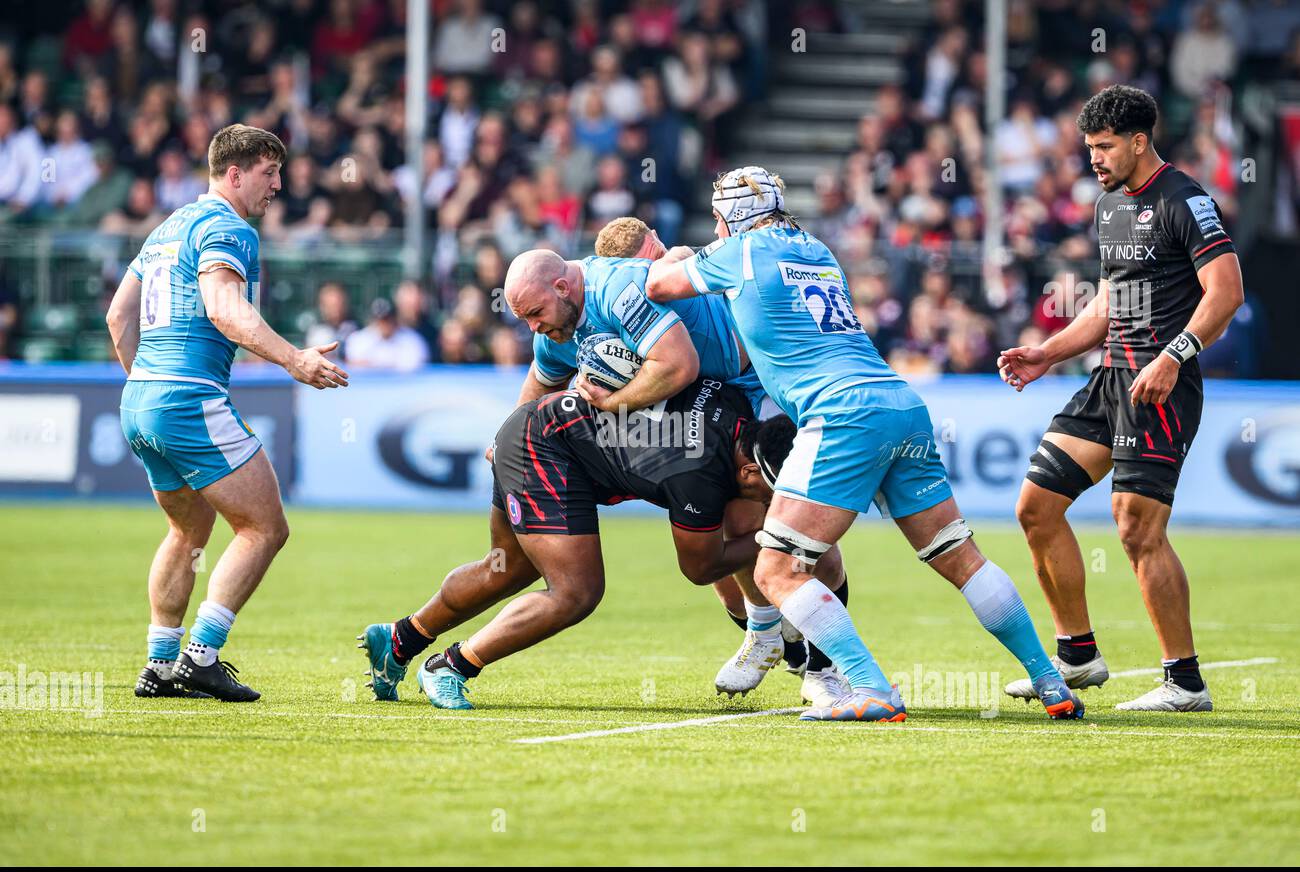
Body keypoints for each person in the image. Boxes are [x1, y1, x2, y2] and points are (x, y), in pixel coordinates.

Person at [646, 166, 1083, 722]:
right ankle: (1050, 681)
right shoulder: (817, 249)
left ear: (731, 217)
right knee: (959, 555)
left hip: (841, 412)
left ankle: (871, 687)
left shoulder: (743, 250)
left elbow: (660, 285)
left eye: (717, 217)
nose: (716, 227)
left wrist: (683, 251)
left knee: (774, 570)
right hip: (900, 402)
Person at [998, 85, 1244, 712]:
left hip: (1161, 384)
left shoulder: (1184, 199)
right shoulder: (1110, 206)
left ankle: (1184, 681)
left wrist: (1174, 356)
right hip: (1109, 380)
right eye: (1089, 148)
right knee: (1036, 506)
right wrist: (1049, 352)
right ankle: (1077, 656)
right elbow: (1111, 301)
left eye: (1105, 147)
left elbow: (1225, 291)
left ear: (1139, 141)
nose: (1095, 159)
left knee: (1136, 529)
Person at [356, 381, 794, 710]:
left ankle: (400, 639)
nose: (772, 504)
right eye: (771, 494)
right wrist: (774, 539)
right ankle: (451, 665)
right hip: (546, 450)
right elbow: (699, 568)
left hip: (537, 426)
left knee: (504, 568)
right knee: (576, 592)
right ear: (750, 474)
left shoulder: (732, 401)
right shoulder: (698, 475)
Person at [105, 123, 347, 702]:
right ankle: (200, 657)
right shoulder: (226, 226)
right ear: (234, 175)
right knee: (265, 527)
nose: (279, 185)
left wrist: (147, 384)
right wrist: (295, 361)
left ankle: (160, 664)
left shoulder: (166, 227)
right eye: (270, 173)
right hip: (188, 396)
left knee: (187, 528)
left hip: (139, 399)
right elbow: (224, 310)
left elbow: (118, 317)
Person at [592, 215, 848, 703]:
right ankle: (767, 634)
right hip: (714, 417)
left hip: (767, 397)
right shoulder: (618, 311)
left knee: (801, 522)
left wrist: (667, 260)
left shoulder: (675, 266)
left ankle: (822, 665)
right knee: (724, 523)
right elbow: (550, 366)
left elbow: (683, 255)